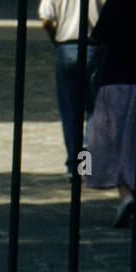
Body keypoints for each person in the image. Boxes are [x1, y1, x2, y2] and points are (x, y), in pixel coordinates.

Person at [84, 0, 136, 226]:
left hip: (115, 78)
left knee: (117, 142)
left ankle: (126, 194)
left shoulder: (116, 4)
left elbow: (98, 37)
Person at [40, 0, 105, 178]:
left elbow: (45, 18)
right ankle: (85, 164)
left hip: (66, 46)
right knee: (93, 110)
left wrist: (55, 38)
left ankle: (73, 164)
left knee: (70, 111)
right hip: (94, 46)